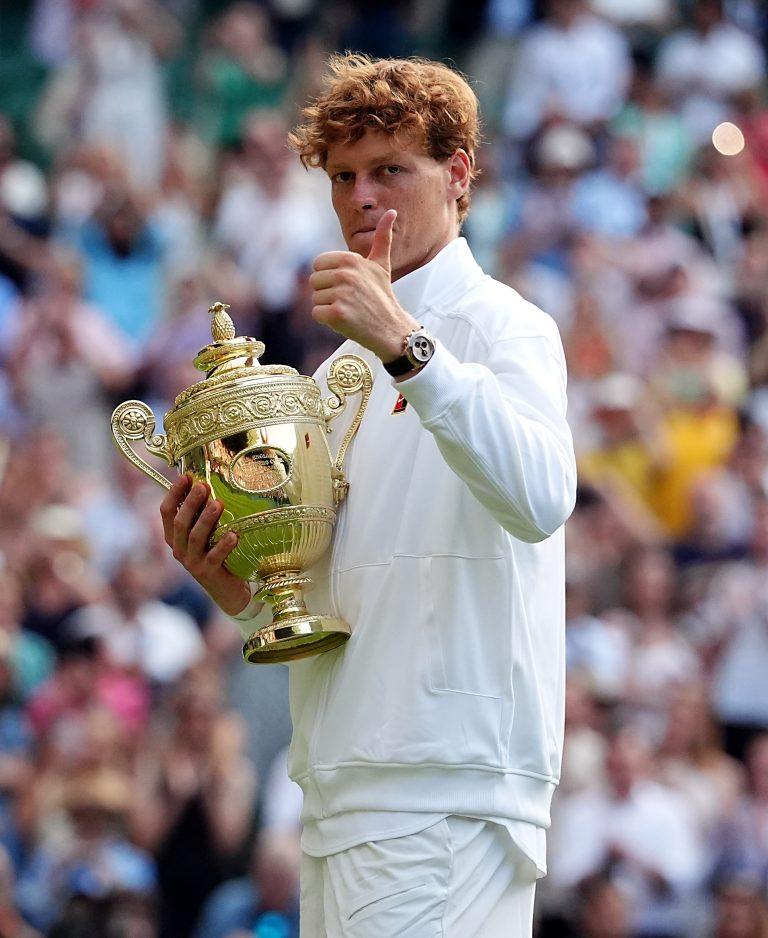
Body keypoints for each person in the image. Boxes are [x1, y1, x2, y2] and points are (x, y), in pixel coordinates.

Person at [159, 53, 576, 936]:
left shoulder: (504, 325)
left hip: (446, 793)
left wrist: (406, 344)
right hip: (342, 785)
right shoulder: (340, 369)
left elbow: (542, 497)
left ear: (457, 175)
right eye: (344, 177)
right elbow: (341, 597)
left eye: (391, 169)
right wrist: (241, 595)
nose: (361, 198)